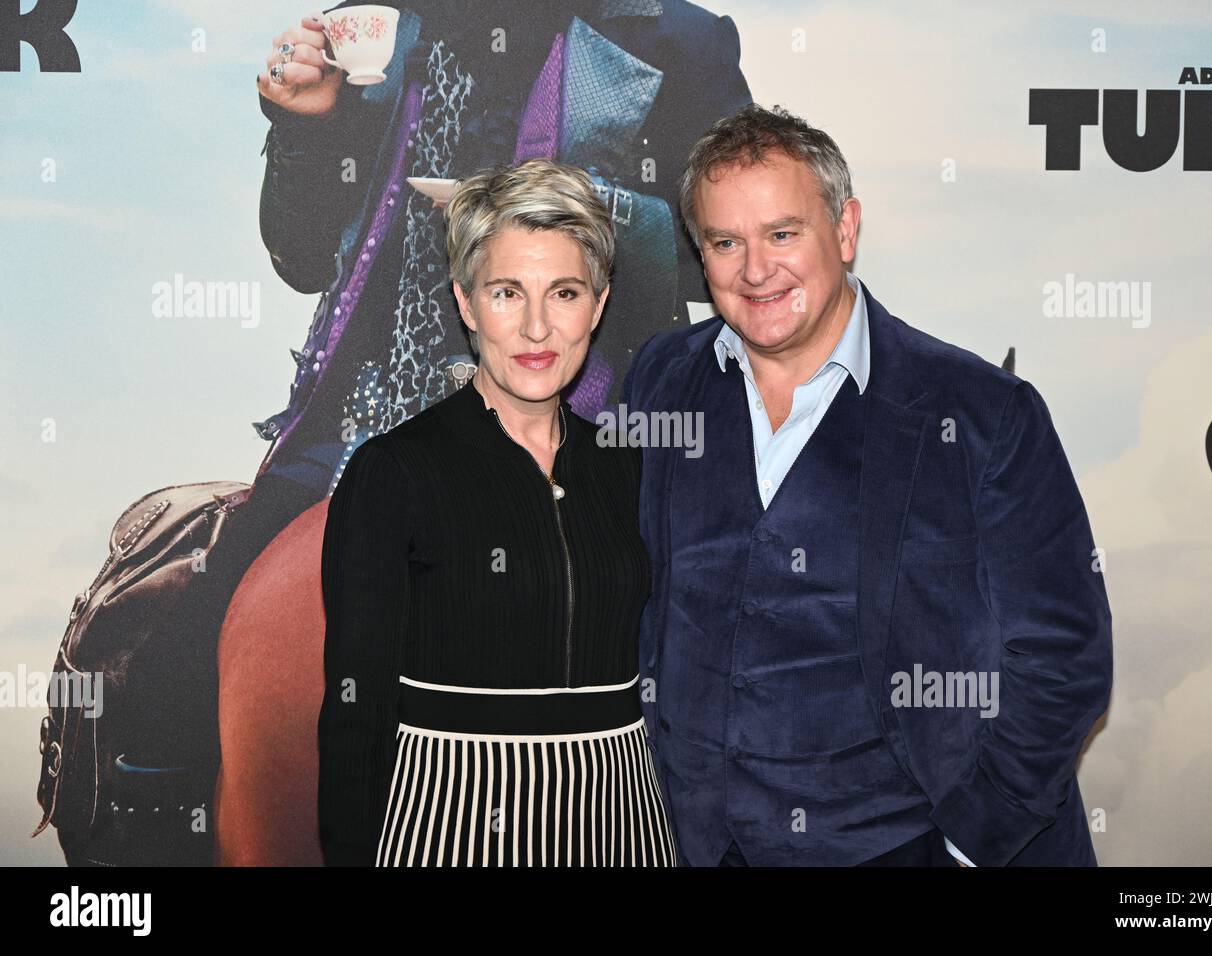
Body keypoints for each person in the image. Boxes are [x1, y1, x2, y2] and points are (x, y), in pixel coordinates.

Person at [214, 0, 748, 866]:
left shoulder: (682, 41)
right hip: (368, 410)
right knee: (187, 637)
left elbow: (732, 250)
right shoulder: (385, 33)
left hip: (593, 419)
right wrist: (304, 126)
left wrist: (588, 213)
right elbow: (302, 254)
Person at [621, 103, 1114, 867]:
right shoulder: (664, 378)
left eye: (783, 234)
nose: (756, 270)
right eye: (726, 242)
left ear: (845, 230)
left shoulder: (981, 412)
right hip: (702, 845)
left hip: (903, 846)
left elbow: (1062, 653)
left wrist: (971, 836)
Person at [317, 158, 677, 866]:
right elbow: (356, 716)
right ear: (466, 302)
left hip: (623, 830)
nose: (538, 326)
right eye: (507, 292)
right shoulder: (394, 473)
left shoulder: (631, 471)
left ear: (598, 307)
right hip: (449, 829)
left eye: (565, 292)